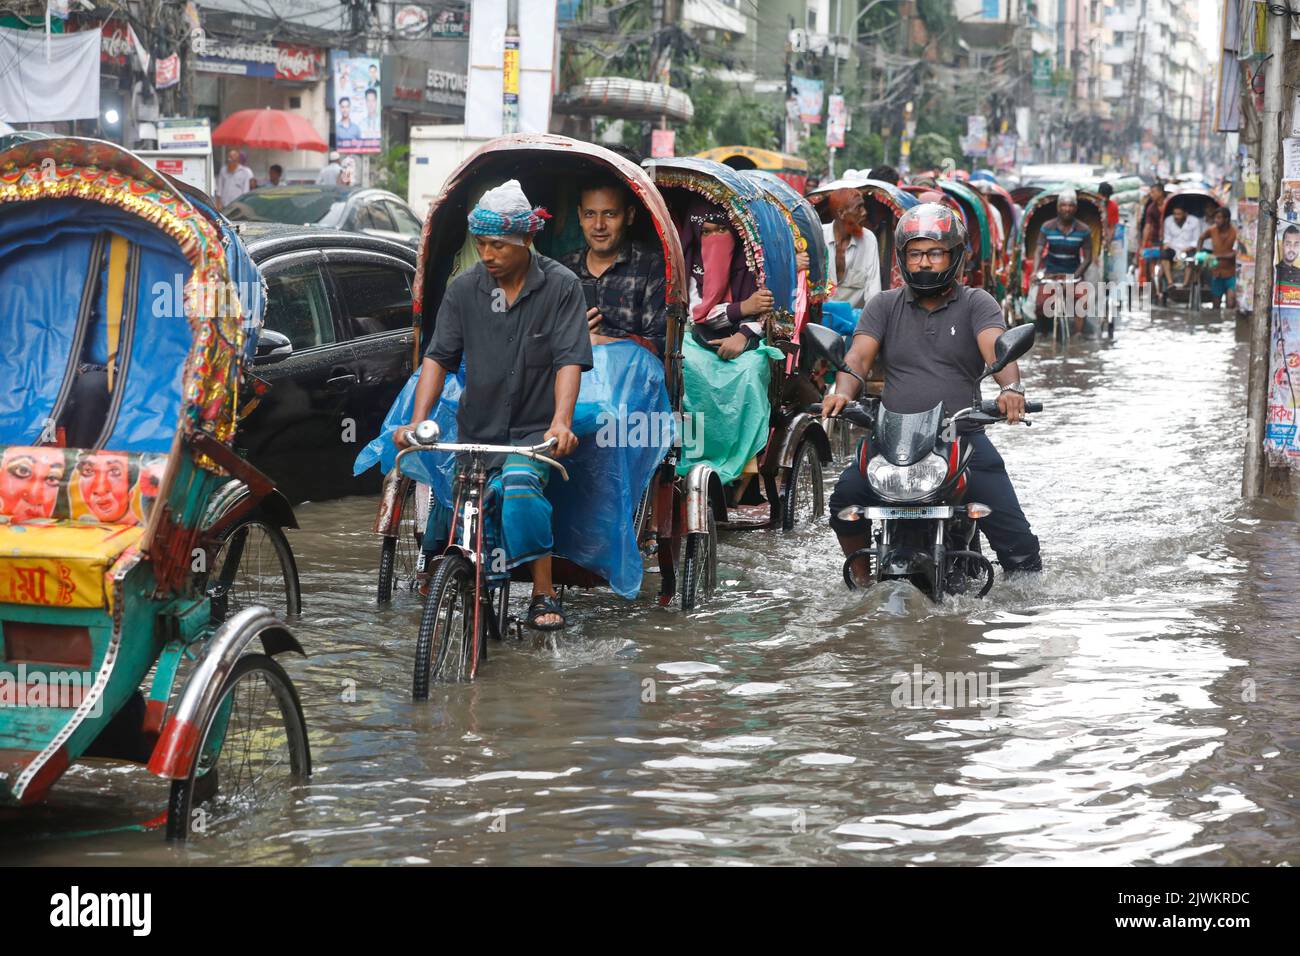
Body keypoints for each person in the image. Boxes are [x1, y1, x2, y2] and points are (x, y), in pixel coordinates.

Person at [394, 180, 592, 630]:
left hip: (532, 433)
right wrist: (417, 421)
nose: (487, 254)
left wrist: (560, 422)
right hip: (477, 430)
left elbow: (569, 361)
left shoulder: (561, 287)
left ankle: (543, 594)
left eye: (497, 245)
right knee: (452, 493)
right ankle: (442, 569)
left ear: (526, 240)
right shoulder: (464, 290)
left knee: (522, 489)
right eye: (481, 244)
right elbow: (438, 358)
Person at [821, 203, 1041, 580]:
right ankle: (858, 578)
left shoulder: (977, 303)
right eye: (916, 253)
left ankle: (1025, 597)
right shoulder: (884, 305)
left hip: (960, 437)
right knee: (844, 500)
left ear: (954, 257)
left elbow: (997, 348)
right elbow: (857, 356)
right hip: (890, 440)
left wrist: (1012, 390)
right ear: (903, 258)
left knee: (1016, 542)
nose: (924, 262)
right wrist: (841, 392)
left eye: (935, 253)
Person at [561, 175, 667, 355]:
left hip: (631, 378)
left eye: (610, 214)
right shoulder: (564, 269)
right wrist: (568, 334)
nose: (599, 225)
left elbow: (659, 345)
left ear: (629, 215)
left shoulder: (651, 266)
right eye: (589, 214)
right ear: (579, 216)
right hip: (572, 377)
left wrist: (599, 341)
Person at [679, 197, 772, 360]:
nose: (715, 238)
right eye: (706, 232)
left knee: (752, 369)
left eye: (722, 229)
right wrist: (742, 307)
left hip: (746, 340)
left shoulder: (751, 263)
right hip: (699, 340)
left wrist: (742, 336)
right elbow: (697, 316)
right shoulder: (692, 267)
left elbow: (764, 311)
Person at [1031, 188, 1093, 333]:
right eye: (1064, 205)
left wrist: (1075, 276)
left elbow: (1088, 258)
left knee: (1082, 303)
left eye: (1070, 205)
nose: (1067, 209)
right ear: (1058, 207)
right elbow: (1039, 250)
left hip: (1073, 274)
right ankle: (1043, 334)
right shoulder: (1047, 227)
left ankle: (1078, 336)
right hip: (1051, 274)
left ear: (1075, 208)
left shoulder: (1084, 230)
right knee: (1040, 304)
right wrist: (1035, 272)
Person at [822, 187, 882, 311]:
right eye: (858, 208)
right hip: (821, 317)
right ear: (841, 213)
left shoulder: (868, 239)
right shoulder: (819, 235)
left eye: (863, 207)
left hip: (856, 322)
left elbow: (873, 290)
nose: (864, 212)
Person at [1198, 207, 1238, 309]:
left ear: (1227, 219)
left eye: (1219, 218)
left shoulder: (1235, 232)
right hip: (1216, 273)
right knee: (1216, 306)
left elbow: (1235, 254)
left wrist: (1216, 256)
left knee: (1231, 302)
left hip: (1231, 273)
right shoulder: (1212, 230)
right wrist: (1199, 254)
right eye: (1215, 218)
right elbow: (1201, 238)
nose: (1216, 220)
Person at [1140, 181, 1167, 284]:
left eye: (1153, 192)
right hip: (1155, 238)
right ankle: (1153, 283)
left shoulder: (1169, 204)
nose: (1151, 195)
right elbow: (1147, 226)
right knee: (1150, 260)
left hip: (1170, 239)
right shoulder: (1151, 208)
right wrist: (1143, 245)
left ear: (1160, 193)